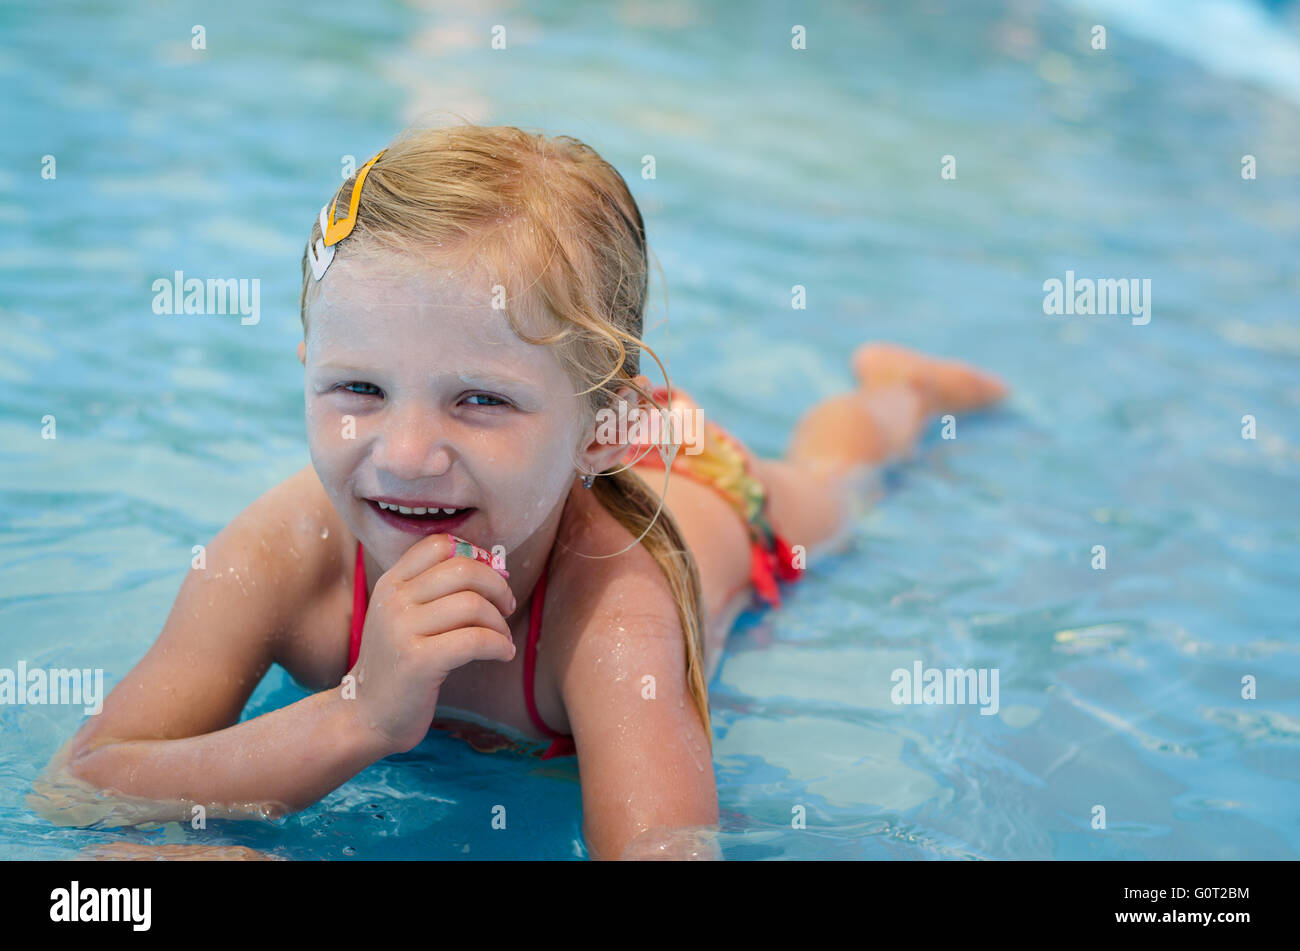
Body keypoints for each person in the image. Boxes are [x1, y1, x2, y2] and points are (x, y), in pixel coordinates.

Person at [31, 123, 1007, 860]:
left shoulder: (612, 612)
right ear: (304, 369)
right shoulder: (281, 552)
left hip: (705, 489)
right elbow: (76, 792)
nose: (406, 453)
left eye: (480, 400)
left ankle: (899, 391)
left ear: (600, 427)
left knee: (841, 481)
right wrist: (357, 716)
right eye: (358, 389)